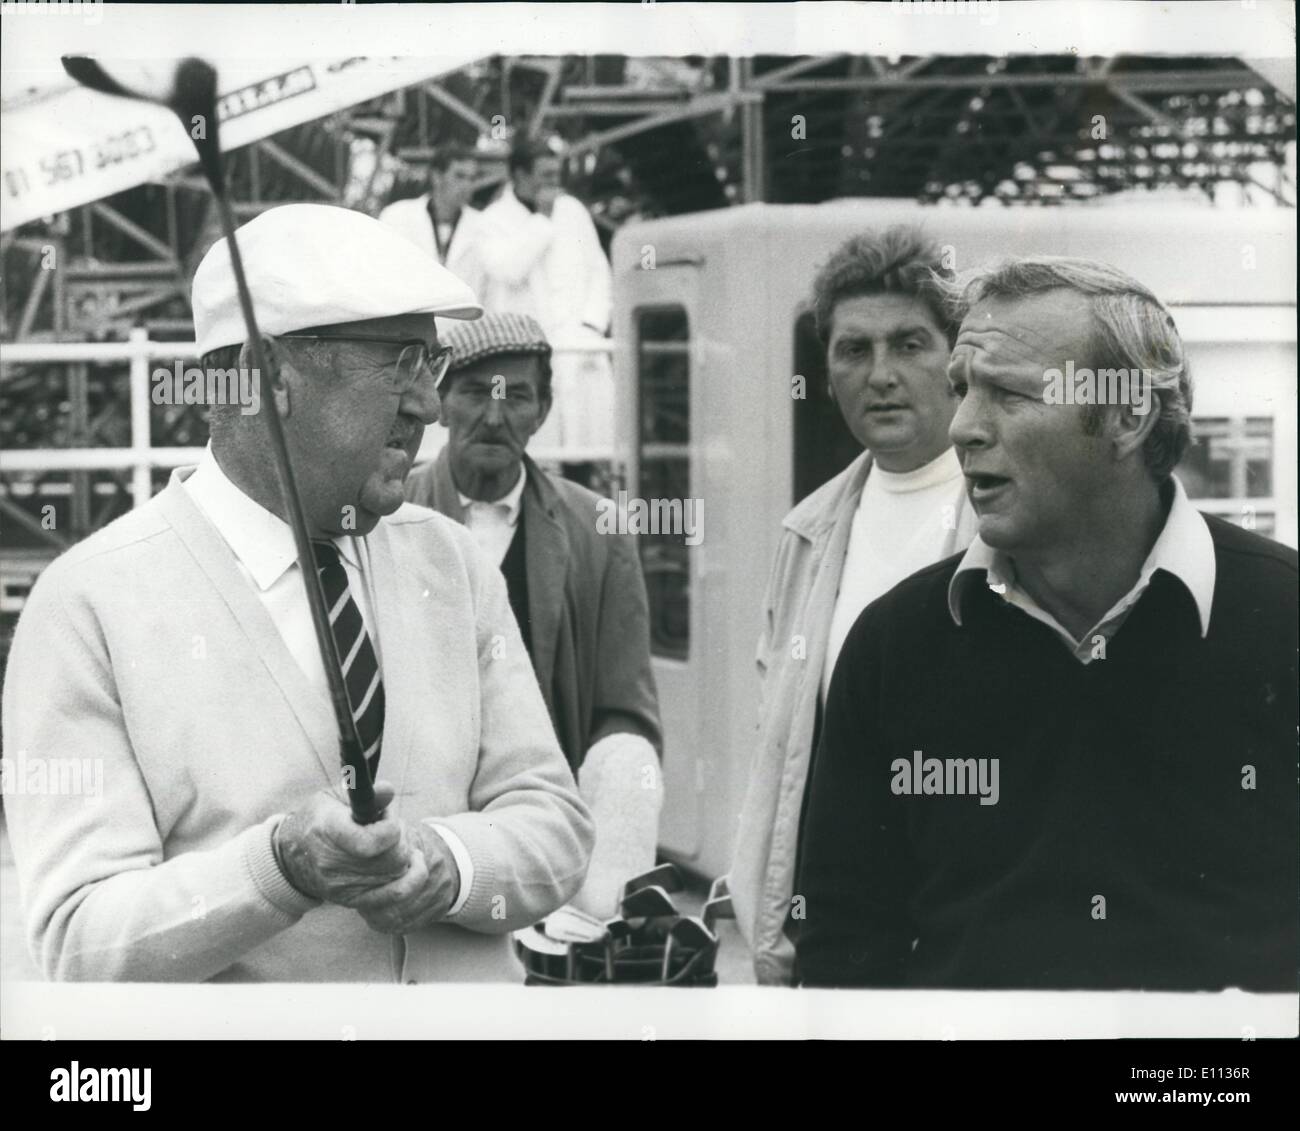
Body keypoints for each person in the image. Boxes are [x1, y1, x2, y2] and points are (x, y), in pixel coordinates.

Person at [1, 204, 593, 983]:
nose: (427, 404)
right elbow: (81, 940)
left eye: (432, 365)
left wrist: (448, 863)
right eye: (400, 362)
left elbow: (554, 825)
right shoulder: (89, 606)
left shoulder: (451, 564)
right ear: (270, 376)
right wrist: (279, 867)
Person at [795, 256, 1298, 991]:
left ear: (1129, 413)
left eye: (1007, 393)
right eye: (963, 388)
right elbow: (843, 945)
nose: (963, 426)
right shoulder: (893, 645)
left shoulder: (1282, 621)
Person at [730, 227, 979, 985]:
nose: (881, 375)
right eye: (853, 350)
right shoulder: (806, 536)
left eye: (909, 344)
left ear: (957, 361)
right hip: (841, 934)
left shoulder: (1011, 524)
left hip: (966, 923)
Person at [405, 312, 662, 922]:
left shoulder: (599, 531)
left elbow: (624, 715)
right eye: (473, 393)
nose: (494, 417)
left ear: (544, 409)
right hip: (424, 840)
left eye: (516, 396)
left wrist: (585, 876)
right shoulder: (391, 515)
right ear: (439, 400)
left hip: (549, 846)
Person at [477, 137, 613, 455]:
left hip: (578, 346)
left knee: (588, 447)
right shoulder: (492, 219)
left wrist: (592, 325)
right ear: (520, 176)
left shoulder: (574, 211)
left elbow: (598, 269)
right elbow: (508, 269)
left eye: (556, 174)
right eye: (545, 175)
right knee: (537, 448)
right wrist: (542, 220)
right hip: (525, 348)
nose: (554, 182)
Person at [378, 145, 488, 295]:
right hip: (413, 314)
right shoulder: (396, 216)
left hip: (463, 317)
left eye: (472, 179)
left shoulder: (483, 224)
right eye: (459, 176)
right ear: (437, 177)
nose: (467, 186)